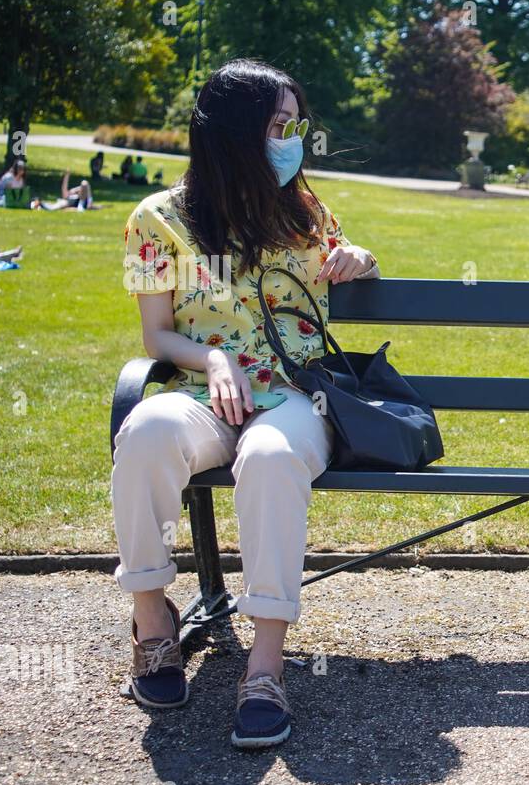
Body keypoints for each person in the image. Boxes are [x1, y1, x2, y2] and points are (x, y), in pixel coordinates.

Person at [112, 59, 380, 749]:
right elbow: (156, 335)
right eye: (277, 127)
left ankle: (264, 666)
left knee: (267, 453)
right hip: (206, 392)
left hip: (297, 397)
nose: (291, 140)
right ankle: (151, 619)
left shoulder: (306, 212)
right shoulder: (158, 219)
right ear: (233, 134)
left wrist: (358, 256)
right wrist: (215, 358)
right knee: (145, 428)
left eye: (295, 126)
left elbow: (344, 254)